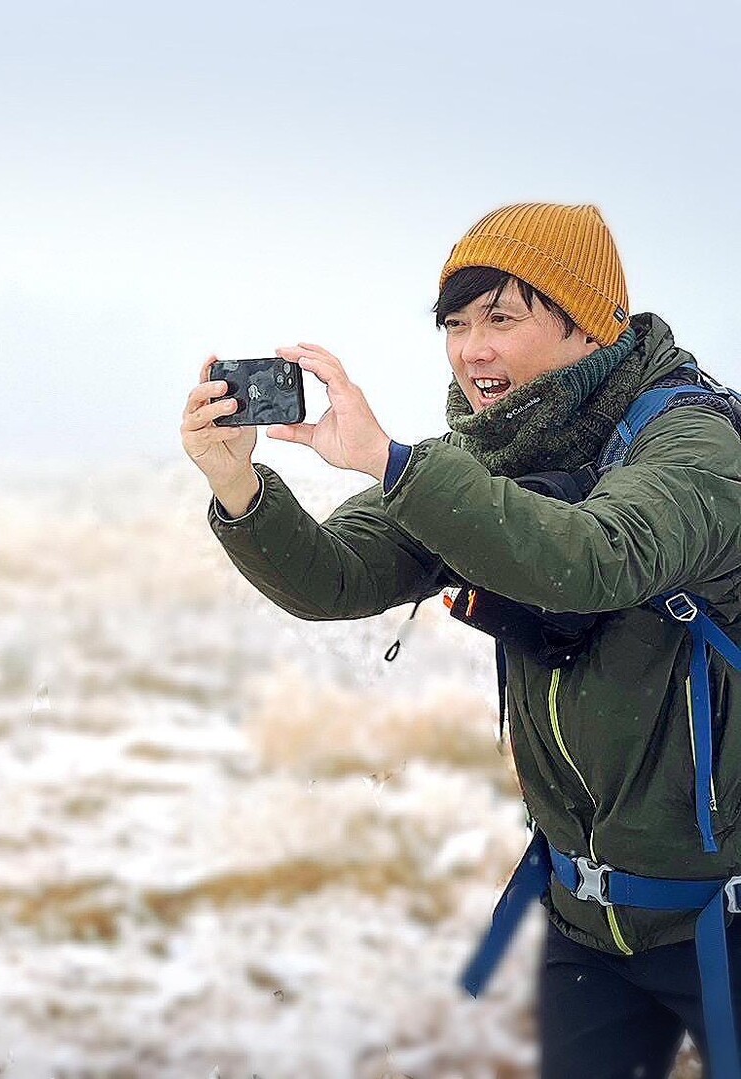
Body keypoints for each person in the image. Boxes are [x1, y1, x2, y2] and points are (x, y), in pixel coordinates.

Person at [181, 204, 741, 1078]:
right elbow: (336, 576)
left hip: (725, 921)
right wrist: (238, 485)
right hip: (585, 917)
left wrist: (395, 465)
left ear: (594, 323)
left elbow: (597, 558)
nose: (472, 350)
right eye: (456, 324)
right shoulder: (484, 457)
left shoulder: (697, 444)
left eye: (502, 319)